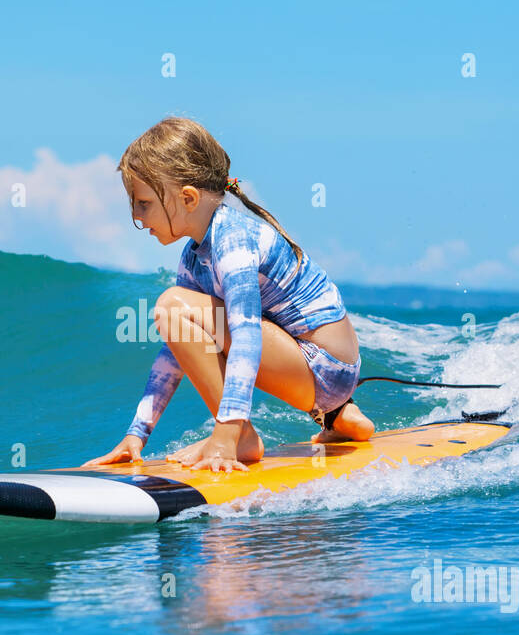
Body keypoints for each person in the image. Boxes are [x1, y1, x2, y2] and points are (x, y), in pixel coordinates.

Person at [84, 117, 375, 473]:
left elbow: (248, 337)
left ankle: (241, 437)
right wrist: (137, 434)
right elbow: (175, 351)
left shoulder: (232, 242)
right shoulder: (195, 254)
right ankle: (340, 417)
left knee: (172, 306)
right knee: (176, 312)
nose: (136, 216)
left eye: (143, 202)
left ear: (188, 197)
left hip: (322, 368)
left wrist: (226, 432)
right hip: (327, 380)